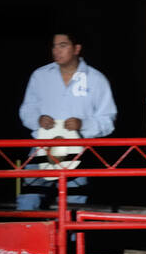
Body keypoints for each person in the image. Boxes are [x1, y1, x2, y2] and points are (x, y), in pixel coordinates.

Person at [17, 31, 117, 210]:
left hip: (77, 151)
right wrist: (37, 119)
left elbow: (107, 120)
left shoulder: (96, 80)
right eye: (54, 46)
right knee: (29, 200)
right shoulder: (40, 76)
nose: (56, 51)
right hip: (41, 148)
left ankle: (69, 238)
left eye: (63, 45)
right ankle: (26, 236)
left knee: (73, 206)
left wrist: (83, 124)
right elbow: (26, 110)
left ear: (76, 48)